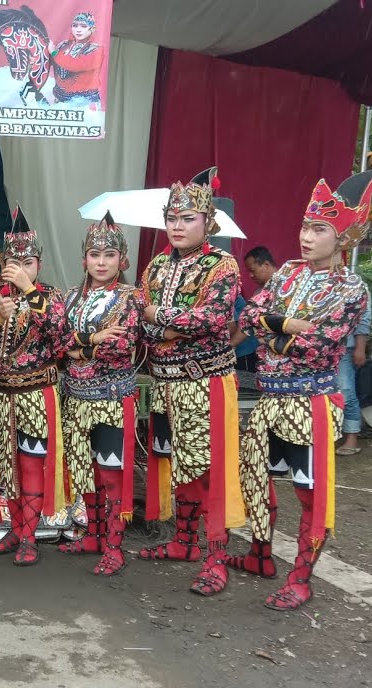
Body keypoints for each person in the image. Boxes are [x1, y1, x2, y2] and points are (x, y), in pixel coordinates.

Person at [229, 169, 372, 610]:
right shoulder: (288, 274)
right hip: (271, 397)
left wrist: (274, 331)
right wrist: (286, 325)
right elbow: (250, 317)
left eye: (319, 229)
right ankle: (260, 554)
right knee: (254, 475)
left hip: (309, 402)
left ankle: (301, 575)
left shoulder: (351, 288)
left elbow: (320, 347)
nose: (307, 237)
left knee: (310, 491)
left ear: (344, 237)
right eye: (304, 227)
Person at [135, 167, 245, 597]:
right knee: (175, 465)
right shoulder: (158, 265)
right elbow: (138, 317)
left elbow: (213, 319)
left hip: (206, 385)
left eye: (187, 219)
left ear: (208, 223)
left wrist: (157, 321)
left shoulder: (223, 265)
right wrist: (168, 327)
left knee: (208, 472)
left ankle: (216, 558)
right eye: (172, 219)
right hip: (164, 384)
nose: (177, 227)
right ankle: (183, 543)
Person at [0, 206, 69, 567]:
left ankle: (29, 535)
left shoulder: (51, 296)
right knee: (5, 464)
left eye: (27, 262)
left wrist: (30, 292)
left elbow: (59, 335)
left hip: (34, 395)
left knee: (31, 463)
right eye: (14, 262)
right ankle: (16, 528)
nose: (20, 268)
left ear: (38, 266)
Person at [59, 213, 143, 576]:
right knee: (84, 471)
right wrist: (90, 341)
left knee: (111, 474)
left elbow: (123, 345)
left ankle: (114, 545)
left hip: (111, 399)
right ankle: (92, 534)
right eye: (95, 255)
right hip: (76, 398)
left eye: (109, 256)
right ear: (84, 260)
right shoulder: (71, 296)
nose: (101, 262)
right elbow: (58, 342)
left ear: (121, 259)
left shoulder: (131, 297)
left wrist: (78, 350)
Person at [337, 287, 372, 455]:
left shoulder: (354, 284)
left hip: (344, 348)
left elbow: (363, 318)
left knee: (345, 391)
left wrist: (360, 348)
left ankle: (351, 437)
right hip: (316, 350)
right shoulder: (312, 281)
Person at [50, 12, 104, 107]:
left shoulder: (97, 50)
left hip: (85, 101)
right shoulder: (62, 45)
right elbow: (53, 63)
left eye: (83, 26)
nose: (78, 30)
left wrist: (54, 53)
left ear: (92, 29)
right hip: (60, 98)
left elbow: (75, 65)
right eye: (75, 26)